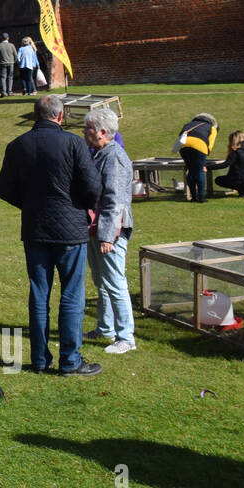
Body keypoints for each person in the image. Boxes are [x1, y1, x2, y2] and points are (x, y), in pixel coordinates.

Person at [0, 94, 103, 376]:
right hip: (70, 230)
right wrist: (78, 205)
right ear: (60, 116)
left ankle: (41, 360)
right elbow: (93, 188)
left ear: (35, 116)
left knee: (39, 294)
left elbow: (3, 189)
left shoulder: (18, 145)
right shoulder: (73, 143)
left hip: (35, 229)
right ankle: (70, 360)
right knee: (71, 294)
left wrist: (30, 204)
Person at [81, 109, 135, 354]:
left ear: (102, 132)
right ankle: (105, 328)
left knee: (115, 283)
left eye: (88, 128)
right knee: (101, 281)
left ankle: (126, 338)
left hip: (110, 232)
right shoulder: (101, 154)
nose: (84, 132)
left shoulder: (114, 157)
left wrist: (107, 236)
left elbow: (115, 200)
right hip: (97, 229)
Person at [175, 112, 218, 203]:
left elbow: (180, 136)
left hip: (183, 146)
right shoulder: (211, 127)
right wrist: (205, 157)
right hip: (199, 147)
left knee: (191, 170)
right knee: (199, 171)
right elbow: (210, 144)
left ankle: (193, 197)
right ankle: (202, 198)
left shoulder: (188, 125)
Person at [207, 130, 244, 197]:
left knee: (219, 180)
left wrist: (207, 167)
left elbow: (225, 164)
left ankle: (243, 190)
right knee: (240, 178)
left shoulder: (236, 152)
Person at [0, 33, 17, 97]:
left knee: (3, 78)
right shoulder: (12, 45)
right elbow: (15, 55)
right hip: (11, 63)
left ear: (1, 38)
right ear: (8, 38)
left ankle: (3, 92)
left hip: (2, 63)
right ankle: (10, 91)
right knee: (10, 77)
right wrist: (14, 61)